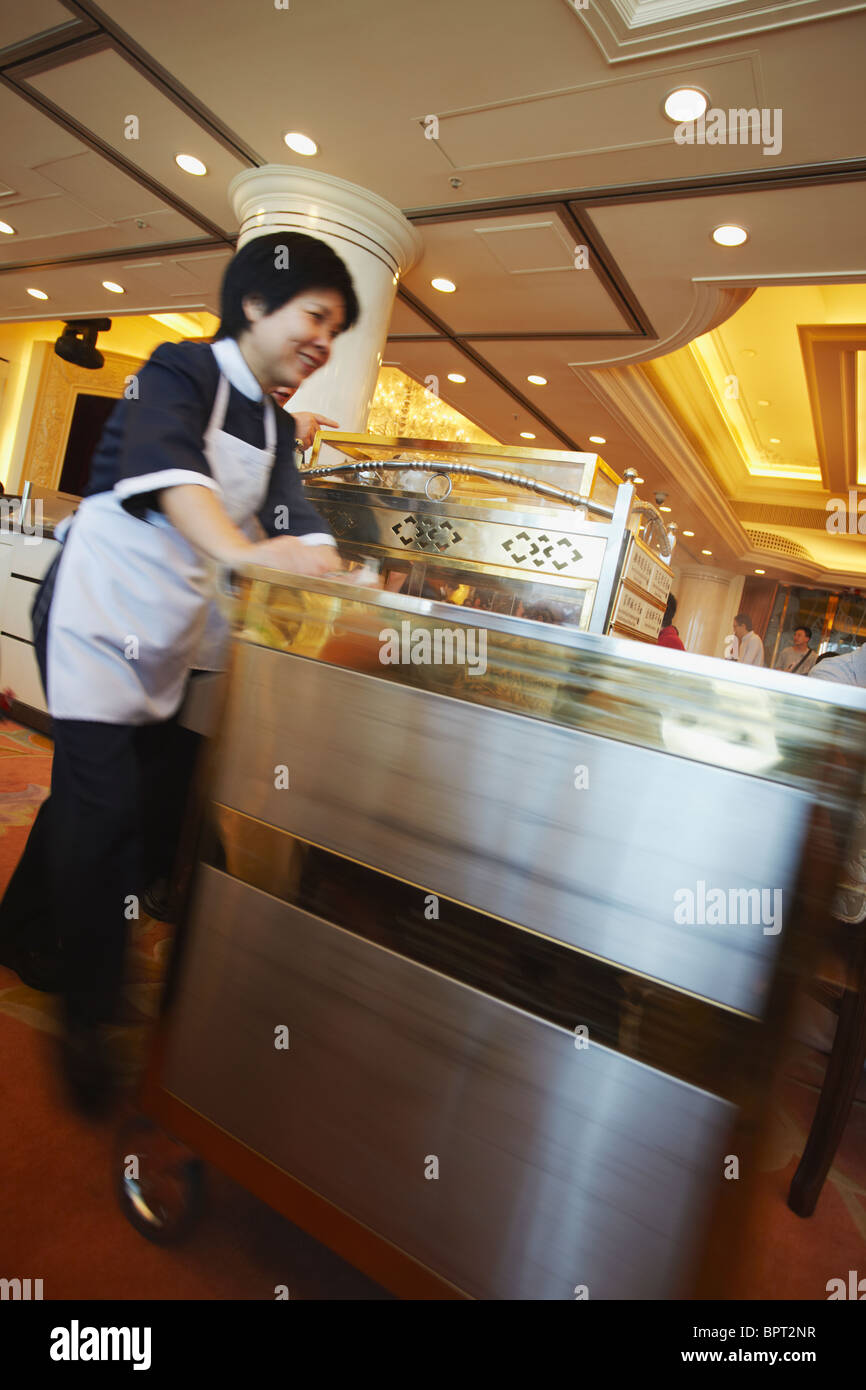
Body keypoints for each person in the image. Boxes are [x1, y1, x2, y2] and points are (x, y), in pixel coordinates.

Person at [0, 230, 360, 1114]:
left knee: (123, 807)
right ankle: (89, 1028)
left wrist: (335, 569)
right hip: (95, 616)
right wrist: (248, 552)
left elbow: (296, 511)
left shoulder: (275, 422)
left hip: (164, 638)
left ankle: (27, 932)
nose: (323, 341)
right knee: (105, 812)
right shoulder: (177, 368)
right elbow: (170, 472)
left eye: (335, 330)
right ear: (255, 304)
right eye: (315, 316)